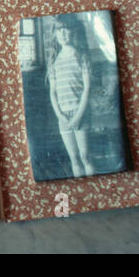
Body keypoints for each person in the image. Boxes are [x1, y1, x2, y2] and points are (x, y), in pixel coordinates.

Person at [48, 19, 94, 176]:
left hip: (80, 112)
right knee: (74, 158)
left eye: (66, 29)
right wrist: (60, 115)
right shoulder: (54, 60)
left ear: (73, 32)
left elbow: (87, 88)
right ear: (54, 34)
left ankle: (93, 190)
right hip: (63, 115)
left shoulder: (82, 56)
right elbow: (53, 92)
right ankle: (81, 191)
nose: (62, 34)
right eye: (59, 30)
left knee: (85, 156)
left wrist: (78, 116)